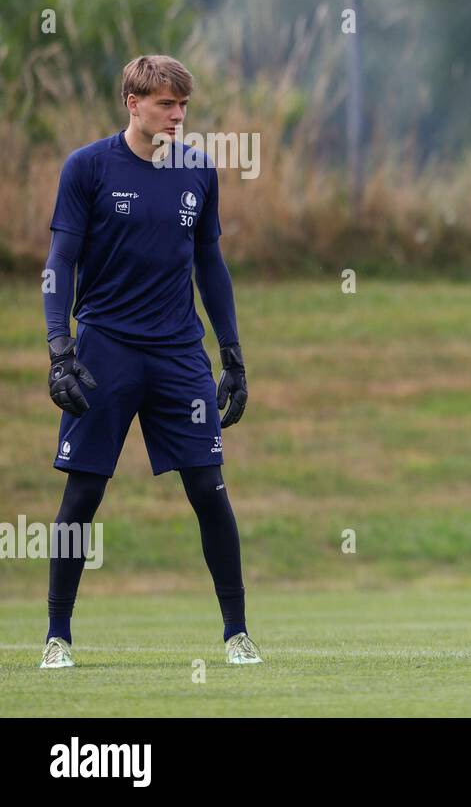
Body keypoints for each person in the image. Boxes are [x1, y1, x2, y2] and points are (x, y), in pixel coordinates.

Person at [39, 55, 258, 668]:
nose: (177, 116)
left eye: (183, 105)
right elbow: (59, 265)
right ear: (132, 103)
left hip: (179, 354)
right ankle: (58, 636)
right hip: (105, 349)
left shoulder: (197, 169)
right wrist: (60, 350)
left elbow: (210, 266)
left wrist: (233, 355)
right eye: (166, 104)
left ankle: (237, 633)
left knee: (210, 490)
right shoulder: (87, 168)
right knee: (82, 494)